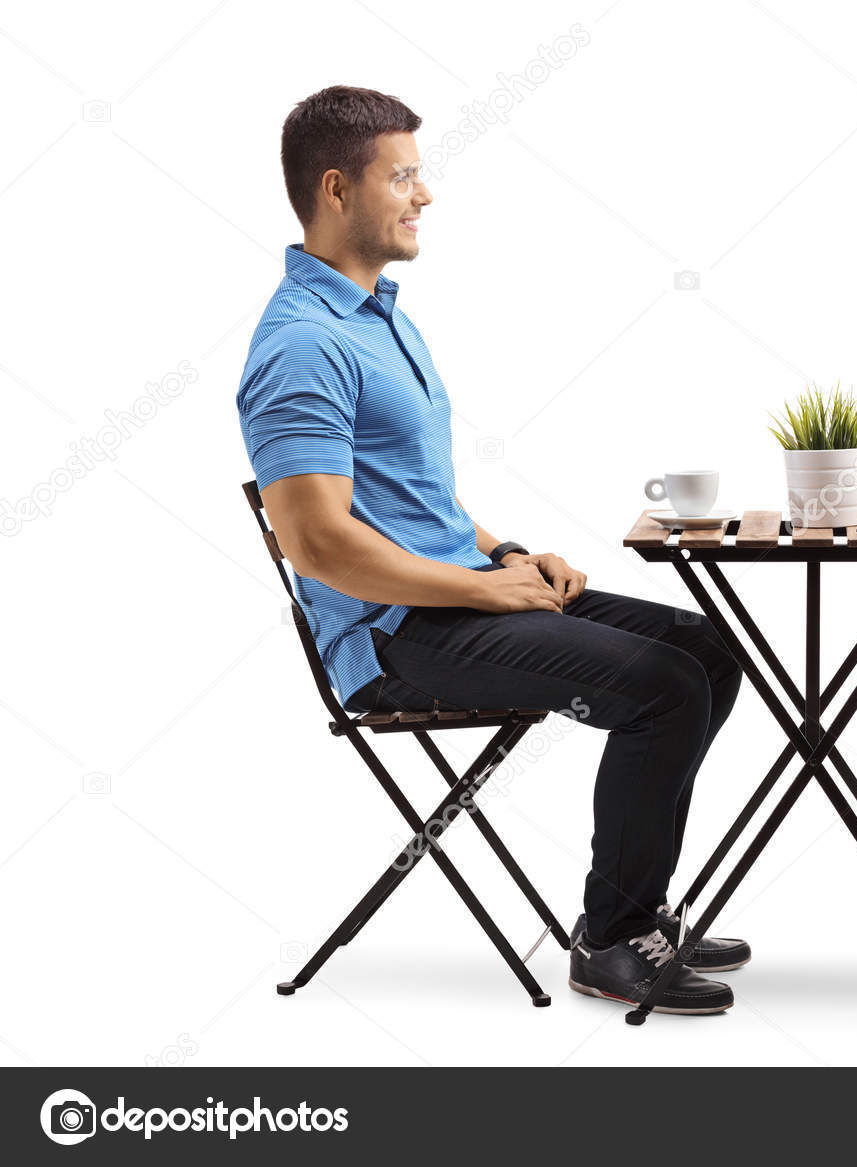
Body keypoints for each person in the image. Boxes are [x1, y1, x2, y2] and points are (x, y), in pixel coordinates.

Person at [237, 86, 746, 1015]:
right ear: (338, 189)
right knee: (662, 686)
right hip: (392, 635)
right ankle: (612, 941)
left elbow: (421, 501)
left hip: (456, 593)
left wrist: (511, 554)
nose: (424, 195)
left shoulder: (382, 317)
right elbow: (315, 542)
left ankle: (638, 905)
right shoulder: (301, 344)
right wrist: (481, 595)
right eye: (405, 176)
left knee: (709, 652)